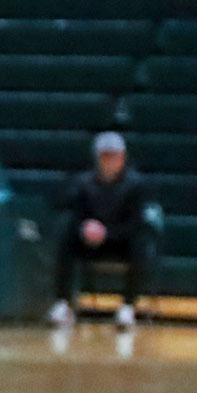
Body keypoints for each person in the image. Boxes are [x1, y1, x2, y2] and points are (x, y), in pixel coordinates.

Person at [45, 132, 152, 331]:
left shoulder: (136, 185)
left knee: (141, 244)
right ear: (97, 158)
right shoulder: (82, 183)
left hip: (120, 241)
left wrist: (107, 233)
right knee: (65, 236)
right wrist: (84, 228)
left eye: (115, 156)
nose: (110, 161)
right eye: (105, 156)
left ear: (123, 158)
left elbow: (136, 223)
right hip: (89, 242)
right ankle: (62, 303)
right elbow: (75, 213)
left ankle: (127, 306)